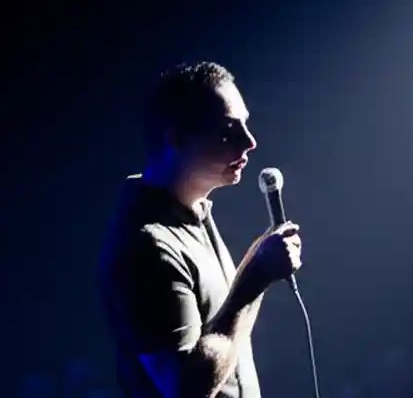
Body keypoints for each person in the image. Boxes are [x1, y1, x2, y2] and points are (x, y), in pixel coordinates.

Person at [98, 61, 301, 397]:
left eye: (246, 124)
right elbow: (184, 388)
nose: (249, 141)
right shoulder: (147, 247)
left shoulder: (195, 216)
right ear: (176, 137)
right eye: (228, 129)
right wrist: (254, 279)